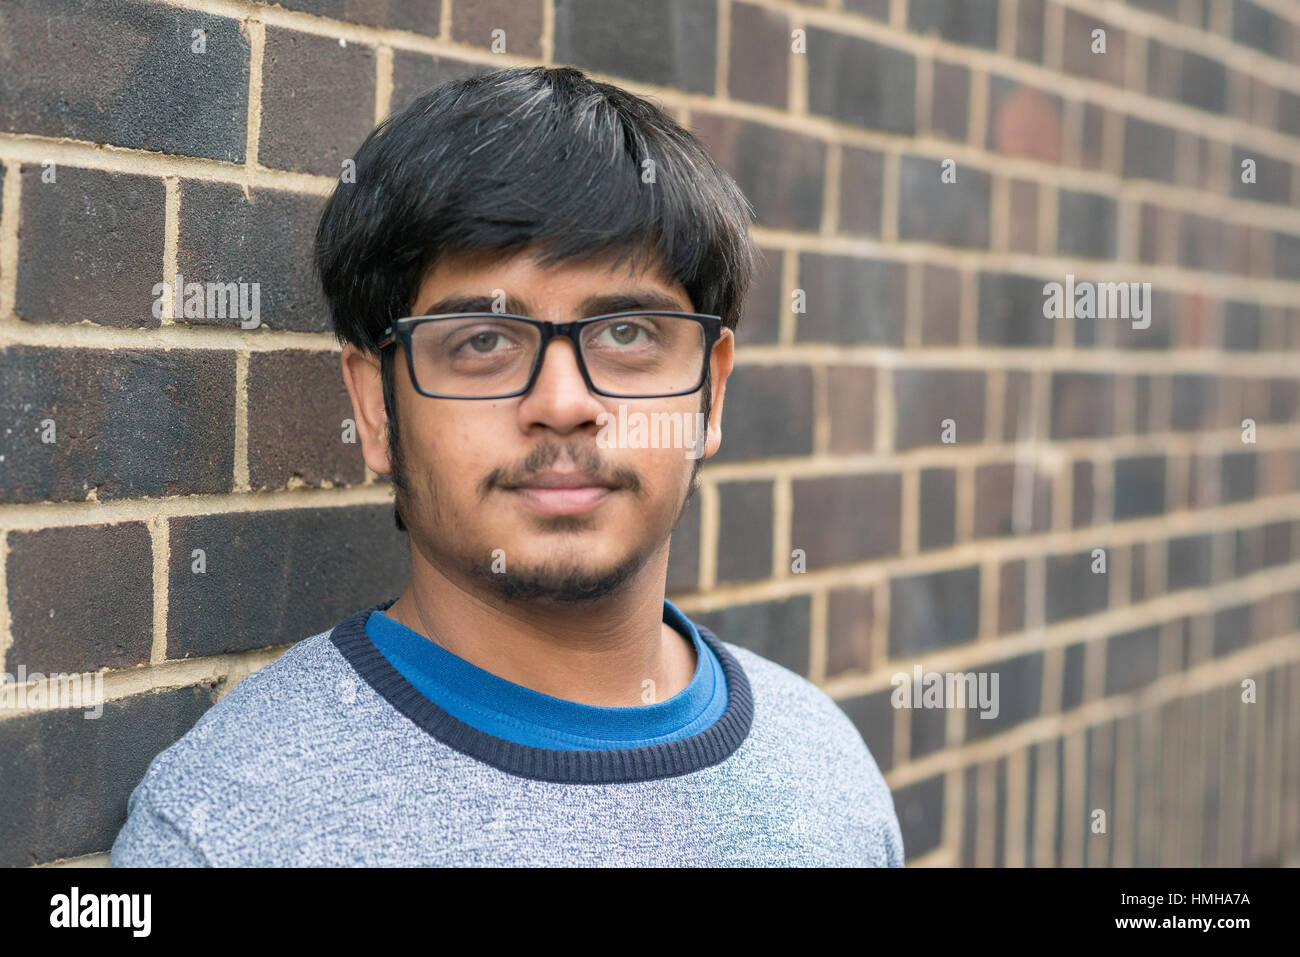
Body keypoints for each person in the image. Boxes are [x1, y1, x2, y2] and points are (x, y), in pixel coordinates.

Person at [110, 65, 904, 867]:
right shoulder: (230, 825)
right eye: (483, 341)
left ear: (710, 391)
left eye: (627, 334)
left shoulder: (825, 771)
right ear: (378, 409)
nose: (563, 402)